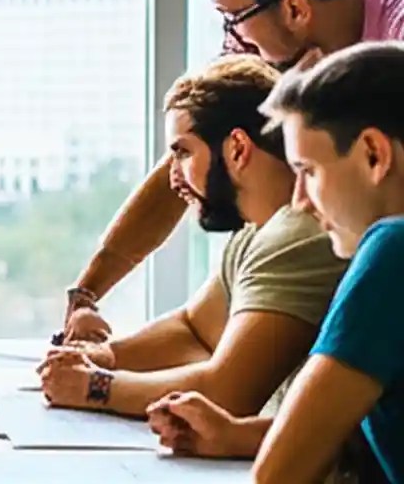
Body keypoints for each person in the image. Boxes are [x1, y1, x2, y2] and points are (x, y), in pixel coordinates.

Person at [62, 0, 404, 343]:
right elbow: (187, 153)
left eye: (234, 19)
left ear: (295, 10)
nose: (230, 41)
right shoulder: (274, 50)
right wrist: (88, 291)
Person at [147, 43, 404, 483]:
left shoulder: (392, 252)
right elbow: (356, 435)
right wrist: (236, 436)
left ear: (374, 155)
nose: (301, 201)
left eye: (308, 171)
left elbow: (277, 477)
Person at [36, 55, 345, 419]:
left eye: (183, 152)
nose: (173, 179)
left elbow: (229, 392)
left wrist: (95, 386)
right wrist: (101, 357)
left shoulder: (297, 236)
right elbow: (194, 332)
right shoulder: (255, 234)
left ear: (238, 148)